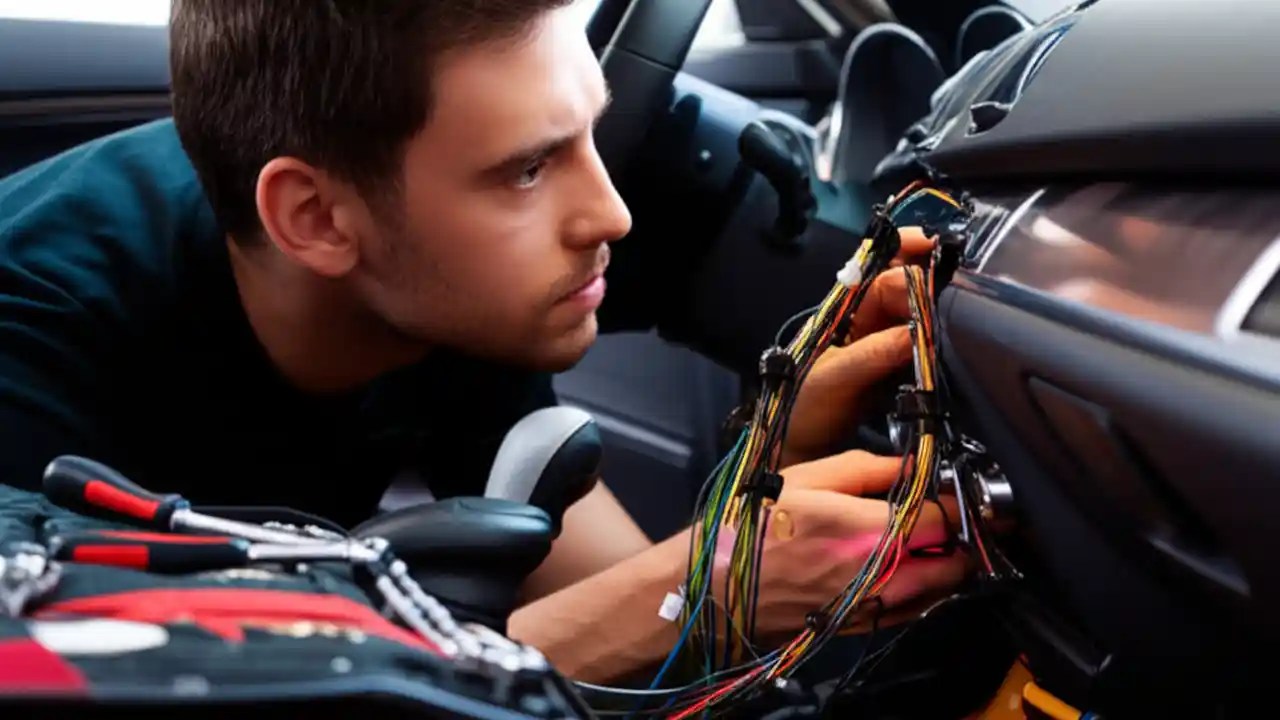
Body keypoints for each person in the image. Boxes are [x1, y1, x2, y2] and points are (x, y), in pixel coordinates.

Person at [0, 0, 966, 683]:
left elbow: (625, 608)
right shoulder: (35, 339)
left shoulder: (441, 293)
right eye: (528, 169)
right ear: (316, 219)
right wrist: (701, 586)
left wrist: (773, 474)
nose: (613, 213)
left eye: (588, 137)